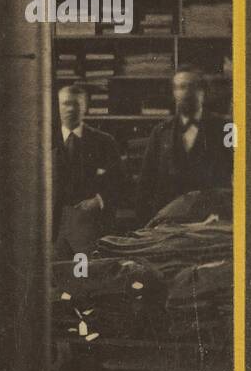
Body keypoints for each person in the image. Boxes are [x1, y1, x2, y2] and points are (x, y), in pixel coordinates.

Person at [135, 68, 231, 223]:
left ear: (203, 91)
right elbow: (146, 181)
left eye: (191, 86)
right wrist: (146, 224)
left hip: (211, 220)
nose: (185, 92)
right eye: (179, 87)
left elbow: (237, 175)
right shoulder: (161, 131)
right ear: (174, 93)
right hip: (167, 219)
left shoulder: (226, 128)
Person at [52, 82, 126, 256]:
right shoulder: (45, 140)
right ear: (58, 106)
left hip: (89, 225)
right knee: (55, 270)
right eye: (66, 104)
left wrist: (98, 200)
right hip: (53, 226)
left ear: (85, 107)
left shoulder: (104, 141)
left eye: (76, 104)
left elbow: (120, 181)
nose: (71, 109)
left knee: (84, 269)